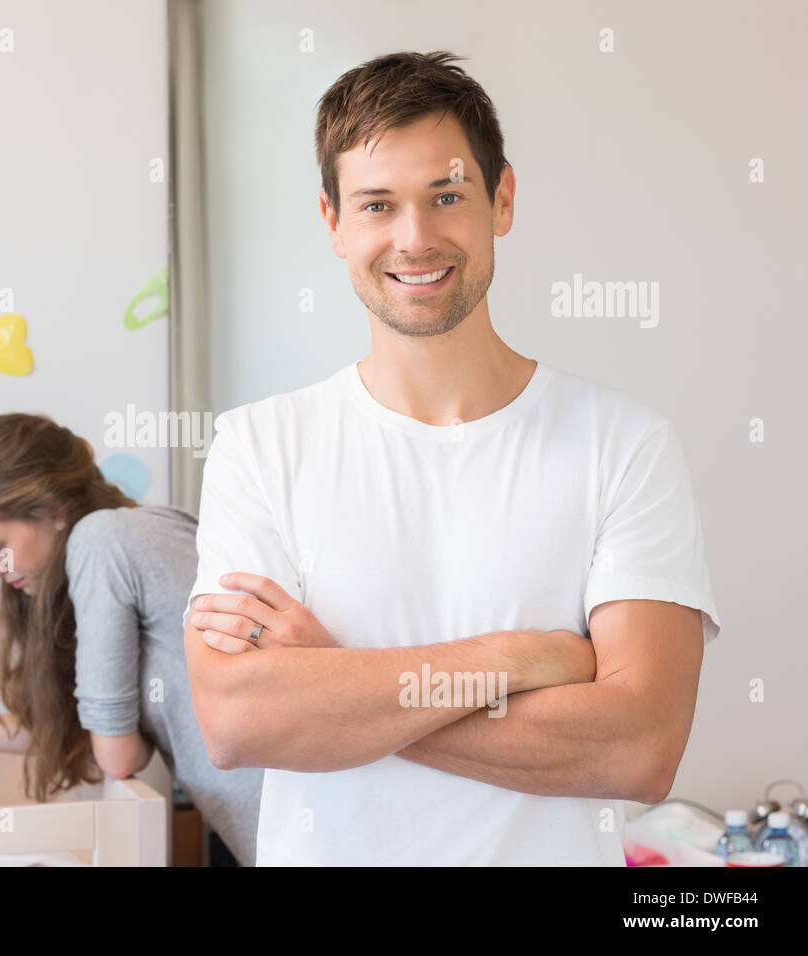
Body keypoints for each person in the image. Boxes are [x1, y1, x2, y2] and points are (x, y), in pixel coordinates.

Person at [182, 50, 721, 866]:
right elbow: (239, 721)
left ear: (501, 199)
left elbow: (638, 750)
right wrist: (519, 660)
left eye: (446, 195)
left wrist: (334, 683)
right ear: (333, 221)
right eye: (376, 204)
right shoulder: (258, 448)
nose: (415, 238)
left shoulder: (625, 445)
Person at [0, 414, 262, 865]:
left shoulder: (104, 541)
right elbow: (71, 730)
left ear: (52, 508)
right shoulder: (123, 536)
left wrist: (130, 735)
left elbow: (117, 755)